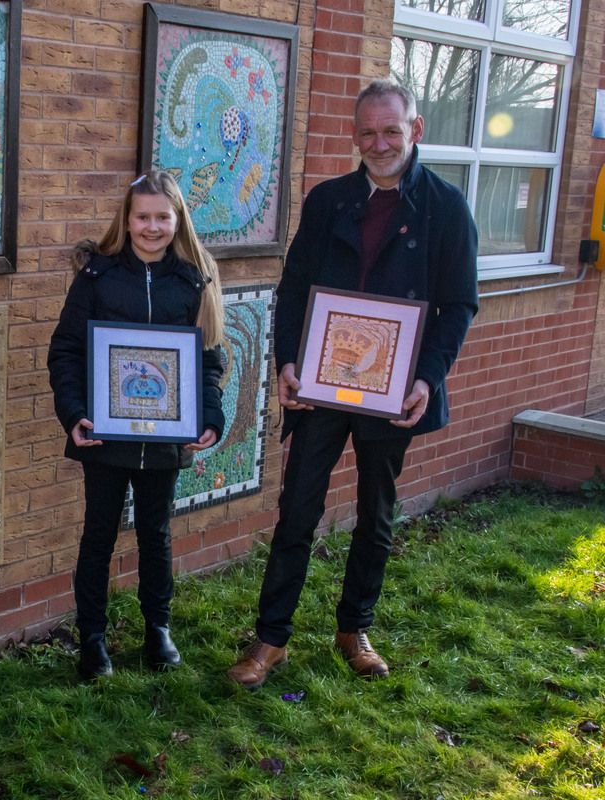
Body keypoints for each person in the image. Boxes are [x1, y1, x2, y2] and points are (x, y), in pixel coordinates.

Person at [226, 80, 479, 689]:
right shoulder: (328, 200)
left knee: (376, 515)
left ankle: (353, 627)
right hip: (321, 386)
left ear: (415, 129)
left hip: (392, 397)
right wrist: (288, 360)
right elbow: (292, 290)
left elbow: (459, 305)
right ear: (355, 135)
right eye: (367, 131)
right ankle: (271, 638)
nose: (379, 142)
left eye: (391, 130)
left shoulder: (446, 208)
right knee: (297, 511)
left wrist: (426, 378)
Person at [48, 169, 226, 680]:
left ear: (177, 219)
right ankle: (93, 640)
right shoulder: (98, 278)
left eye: (162, 217)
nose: (152, 227)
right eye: (142, 217)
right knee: (98, 535)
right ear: (126, 221)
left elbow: (209, 357)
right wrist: (75, 412)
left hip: (166, 441)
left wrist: (208, 413)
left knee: (156, 533)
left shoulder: (194, 280)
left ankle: (158, 628)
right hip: (106, 437)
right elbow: (65, 351)